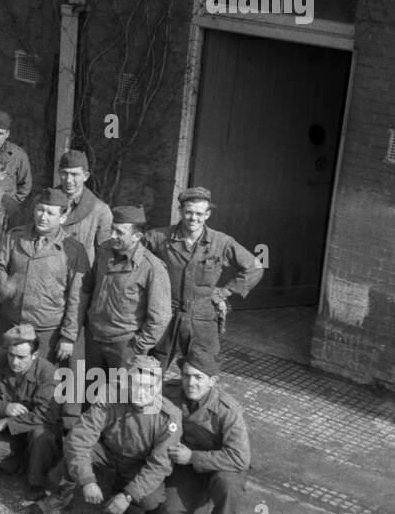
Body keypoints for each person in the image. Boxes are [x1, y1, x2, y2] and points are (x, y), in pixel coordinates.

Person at [34, 355, 181, 514]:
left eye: (149, 386)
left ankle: (129, 499)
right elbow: (80, 437)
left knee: (151, 500)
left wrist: (129, 495)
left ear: (158, 387)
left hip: (138, 462)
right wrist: (87, 479)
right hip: (107, 451)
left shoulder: (169, 416)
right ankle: (61, 497)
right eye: (136, 384)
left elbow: (160, 464)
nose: (141, 392)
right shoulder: (110, 395)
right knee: (74, 452)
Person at [144, 187, 263, 374]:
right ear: (180, 211)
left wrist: (226, 291)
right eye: (189, 212)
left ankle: (198, 403)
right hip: (166, 313)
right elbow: (134, 255)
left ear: (207, 214)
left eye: (199, 213)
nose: (193, 218)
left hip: (203, 317)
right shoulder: (159, 237)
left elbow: (255, 266)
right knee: (151, 369)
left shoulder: (221, 242)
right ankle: (148, 403)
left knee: (204, 370)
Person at [159, 348, 251, 514]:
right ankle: (199, 507)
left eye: (198, 377)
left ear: (212, 381)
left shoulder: (228, 410)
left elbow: (240, 458)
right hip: (185, 466)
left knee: (228, 485)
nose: (191, 383)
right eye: (186, 375)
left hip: (221, 466)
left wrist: (193, 457)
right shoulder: (169, 391)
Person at [0, 187, 89, 353]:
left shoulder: (73, 250)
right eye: (40, 210)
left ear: (62, 217)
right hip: (11, 326)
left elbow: (78, 297)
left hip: (47, 333)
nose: (43, 217)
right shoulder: (14, 237)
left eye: (50, 213)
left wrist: (68, 335)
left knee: (41, 377)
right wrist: (0, 281)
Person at [0, 325, 63, 491]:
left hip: (33, 427)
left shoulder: (49, 373)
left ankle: (36, 481)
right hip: (10, 432)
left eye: (21, 357)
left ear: (35, 355)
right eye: (11, 354)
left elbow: (45, 415)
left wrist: (6, 421)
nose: (14, 361)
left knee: (42, 434)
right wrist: (2, 406)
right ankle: (18, 464)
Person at [82, 205, 172, 372]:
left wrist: (138, 346)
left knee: (120, 394)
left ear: (137, 236)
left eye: (120, 233)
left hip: (125, 345)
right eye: (112, 230)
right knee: (92, 393)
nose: (113, 236)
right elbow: (90, 288)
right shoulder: (103, 252)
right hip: (94, 338)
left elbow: (161, 316)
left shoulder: (151, 267)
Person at [56, 150, 112, 265]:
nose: (68, 180)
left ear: (85, 176)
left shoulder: (100, 210)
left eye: (75, 174)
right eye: (64, 173)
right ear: (58, 173)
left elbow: (104, 253)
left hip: (79, 274)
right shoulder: (41, 203)